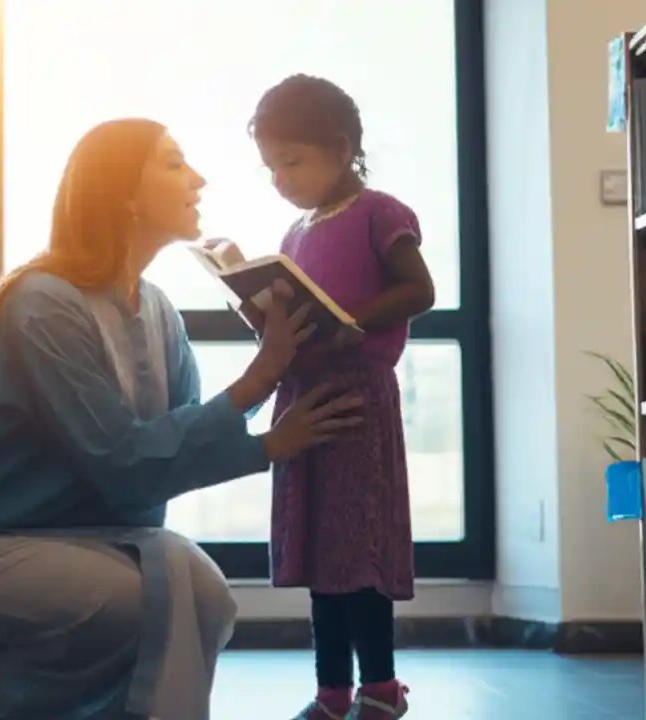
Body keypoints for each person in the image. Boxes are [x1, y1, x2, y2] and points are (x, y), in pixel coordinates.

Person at [0, 118, 364, 720]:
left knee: (208, 594)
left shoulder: (158, 310)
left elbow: (175, 447)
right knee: (161, 603)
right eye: (173, 163)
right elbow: (124, 462)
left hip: (104, 543)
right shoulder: (42, 303)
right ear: (124, 193)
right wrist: (256, 381)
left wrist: (271, 438)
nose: (199, 180)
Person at [216, 75, 436, 720]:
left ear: (340, 149)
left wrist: (351, 323)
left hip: (356, 400)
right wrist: (247, 296)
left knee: (357, 549)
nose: (280, 179)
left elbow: (418, 290)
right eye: (270, 167)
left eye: (292, 161)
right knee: (317, 551)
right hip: (302, 395)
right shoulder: (294, 234)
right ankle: (332, 693)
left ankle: (382, 689)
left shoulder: (380, 212)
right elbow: (286, 328)